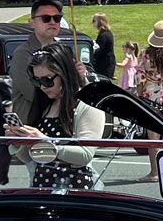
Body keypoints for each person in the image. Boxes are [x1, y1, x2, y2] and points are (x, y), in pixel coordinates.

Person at [7, 41, 107, 190]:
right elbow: (31, 157)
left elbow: (86, 154)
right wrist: (19, 142)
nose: (42, 86)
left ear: (64, 74)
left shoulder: (86, 105)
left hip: (75, 192)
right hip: (41, 188)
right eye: (36, 80)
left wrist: (46, 142)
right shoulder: (44, 105)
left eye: (47, 80)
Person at [9, 0, 74, 126]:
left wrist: (79, 76)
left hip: (63, 125)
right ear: (31, 23)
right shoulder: (22, 54)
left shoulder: (63, 51)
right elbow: (35, 95)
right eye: (46, 18)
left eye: (57, 18)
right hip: (31, 128)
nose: (52, 22)